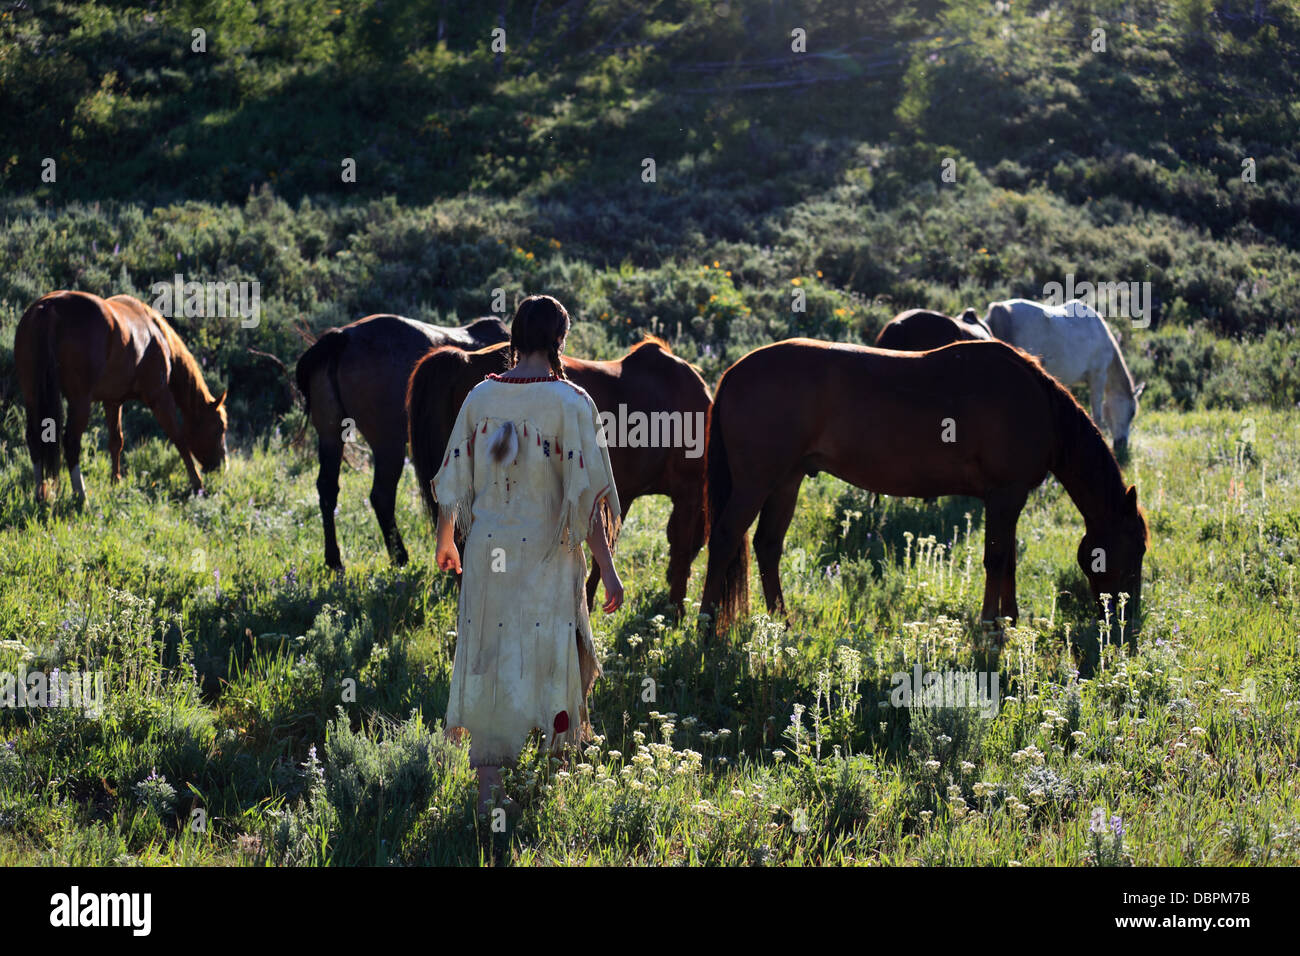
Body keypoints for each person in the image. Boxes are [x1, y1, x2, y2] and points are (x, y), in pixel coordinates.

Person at [432, 294, 624, 815]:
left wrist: (446, 539)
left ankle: (488, 791)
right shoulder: (572, 403)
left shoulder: (481, 397)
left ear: (515, 339)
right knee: (554, 653)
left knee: (491, 657)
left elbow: (455, 475)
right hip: (547, 554)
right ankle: (553, 782)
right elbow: (584, 499)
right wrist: (607, 571)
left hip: (488, 552)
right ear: (560, 341)